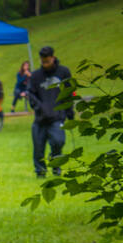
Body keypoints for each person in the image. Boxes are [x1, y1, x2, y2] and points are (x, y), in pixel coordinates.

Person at [27, 45, 74, 176]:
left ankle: (55, 165)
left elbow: (69, 93)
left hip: (57, 117)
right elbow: (31, 94)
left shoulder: (63, 72)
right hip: (40, 119)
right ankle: (40, 171)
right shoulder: (36, 76)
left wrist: (70, 113)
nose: (45, 64)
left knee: (59, 142)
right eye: (43, 61)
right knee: (38, 148)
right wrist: (38, 107)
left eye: (47, 61)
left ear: (53, 58)